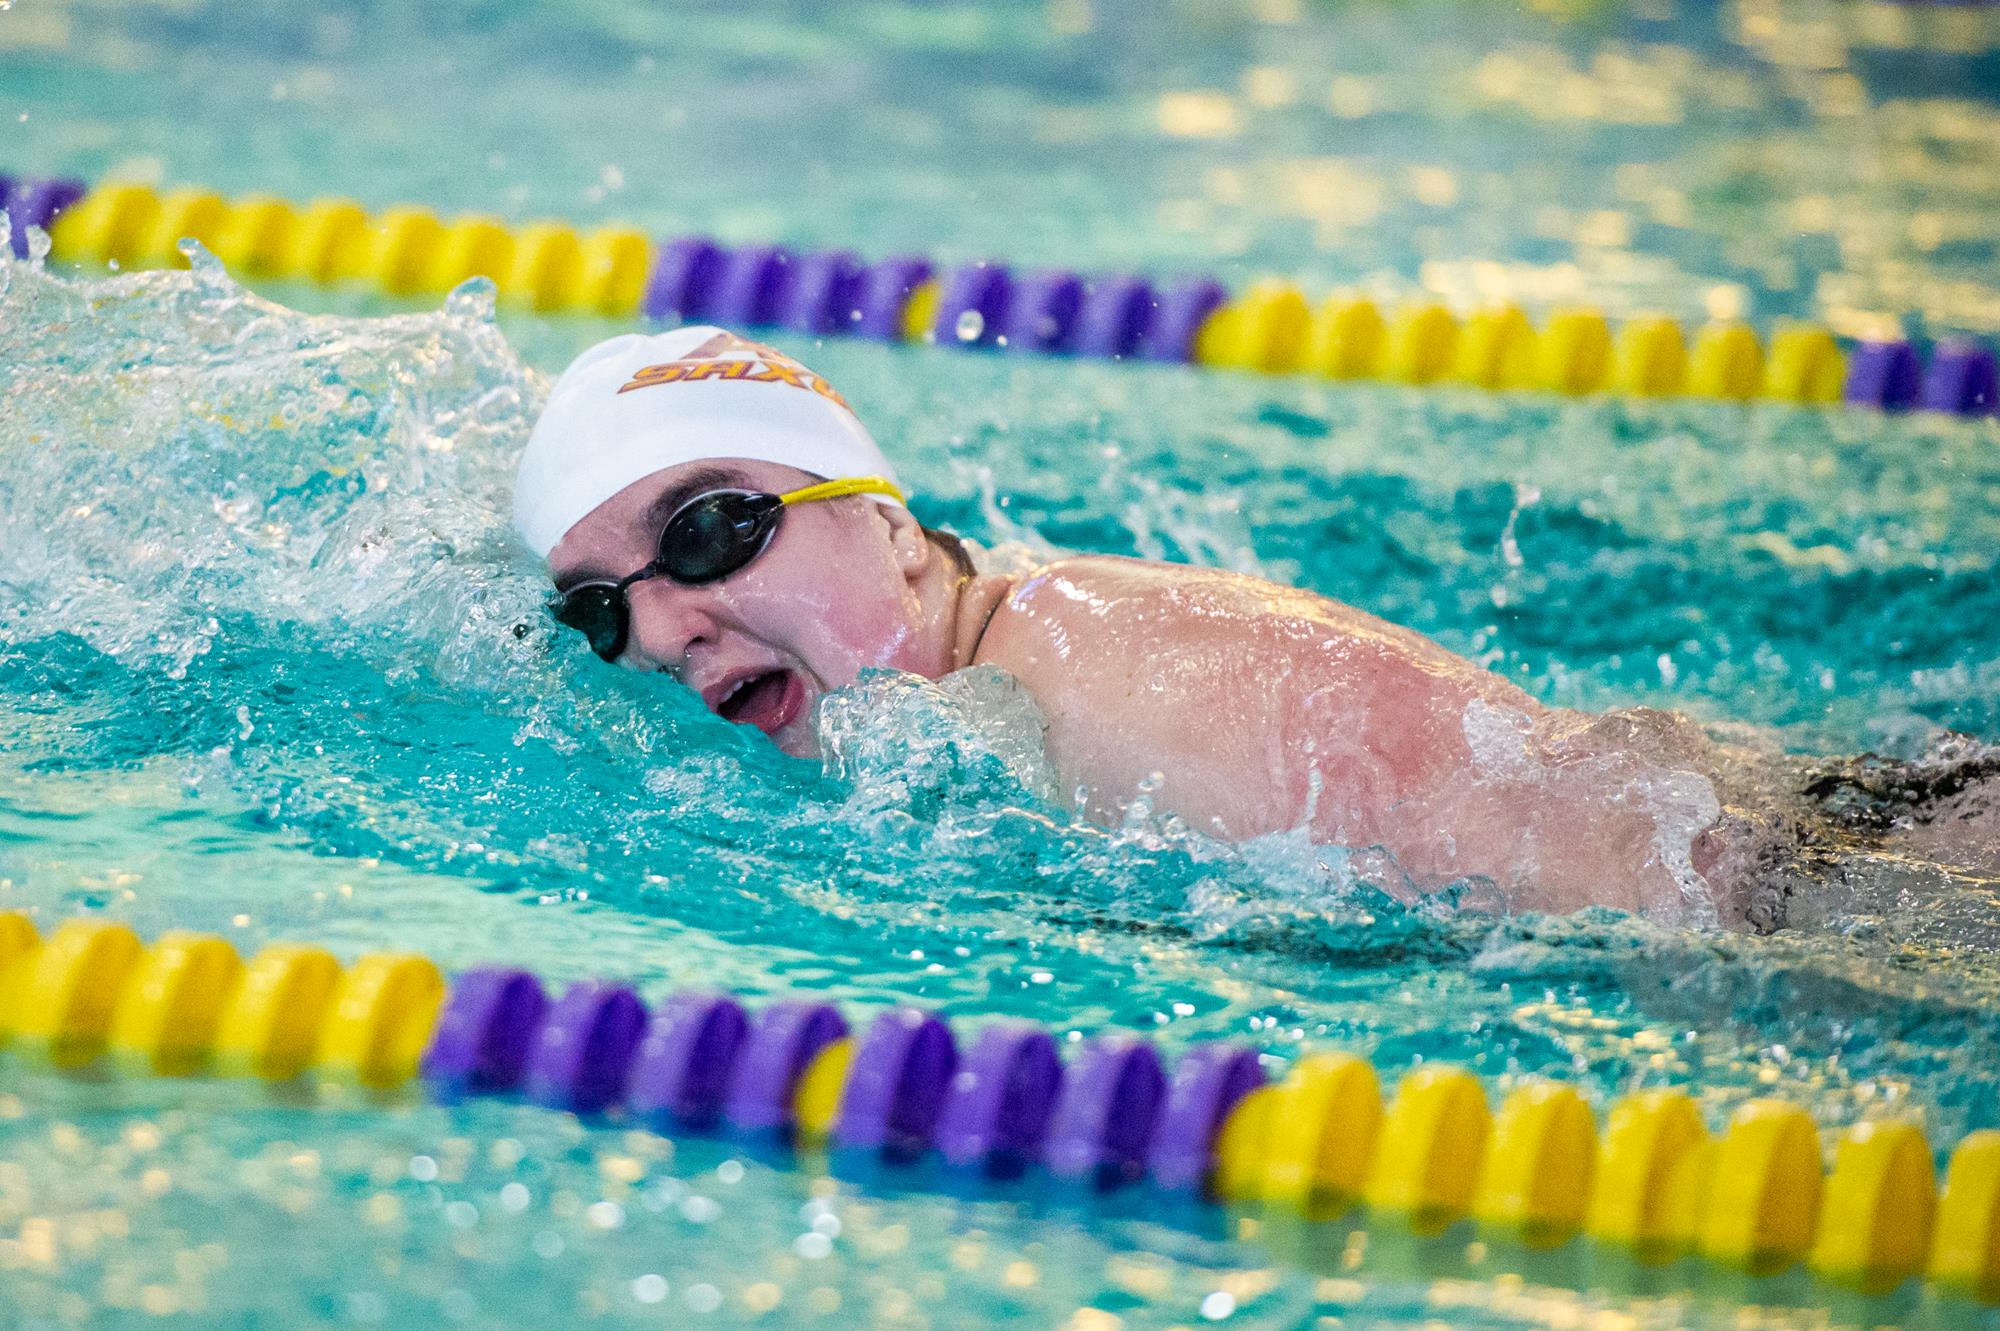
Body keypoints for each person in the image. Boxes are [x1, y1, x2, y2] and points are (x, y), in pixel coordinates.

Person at [513, 327, 1983, 930]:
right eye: (600, 608)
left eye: (712, 529)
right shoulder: (987, 661)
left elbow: (1683, 891)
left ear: (893, 528)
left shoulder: (1134, 696)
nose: (664, 629)